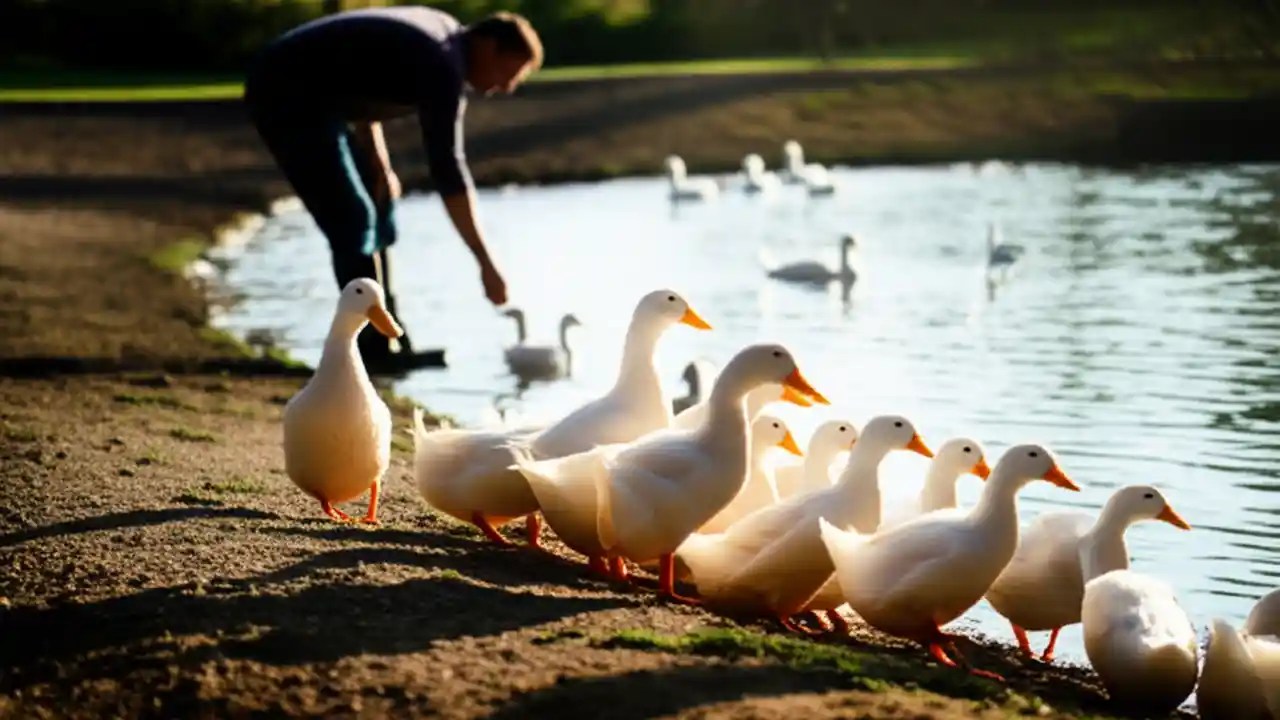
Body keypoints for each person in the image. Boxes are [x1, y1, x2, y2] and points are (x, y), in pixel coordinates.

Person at [244, 7, 542, 372]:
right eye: (507, 74)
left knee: (378, 201)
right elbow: (448, 169)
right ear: (489, 46)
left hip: (320, 96)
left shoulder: (444, 36)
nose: (504, 88)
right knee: (353, 218)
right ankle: (373, 350)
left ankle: (392, 339)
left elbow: (362, 77)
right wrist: (485, 263)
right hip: (284, 92)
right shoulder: (443, 64)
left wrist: (378, 159)